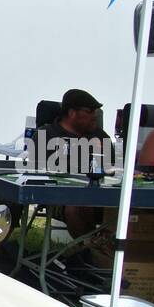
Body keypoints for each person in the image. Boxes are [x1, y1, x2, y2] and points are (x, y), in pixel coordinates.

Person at [37, 89, 111, 240]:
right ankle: (90, 250)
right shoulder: (47, 134)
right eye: (89, 111)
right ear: (72, 113)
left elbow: (114, 169)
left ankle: (113, 252)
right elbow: (45, 169)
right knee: (76, 206)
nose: (94, 115)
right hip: (60, 195)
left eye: (96, 111)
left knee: (129, 208)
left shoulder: (100, 136)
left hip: (100, 195)